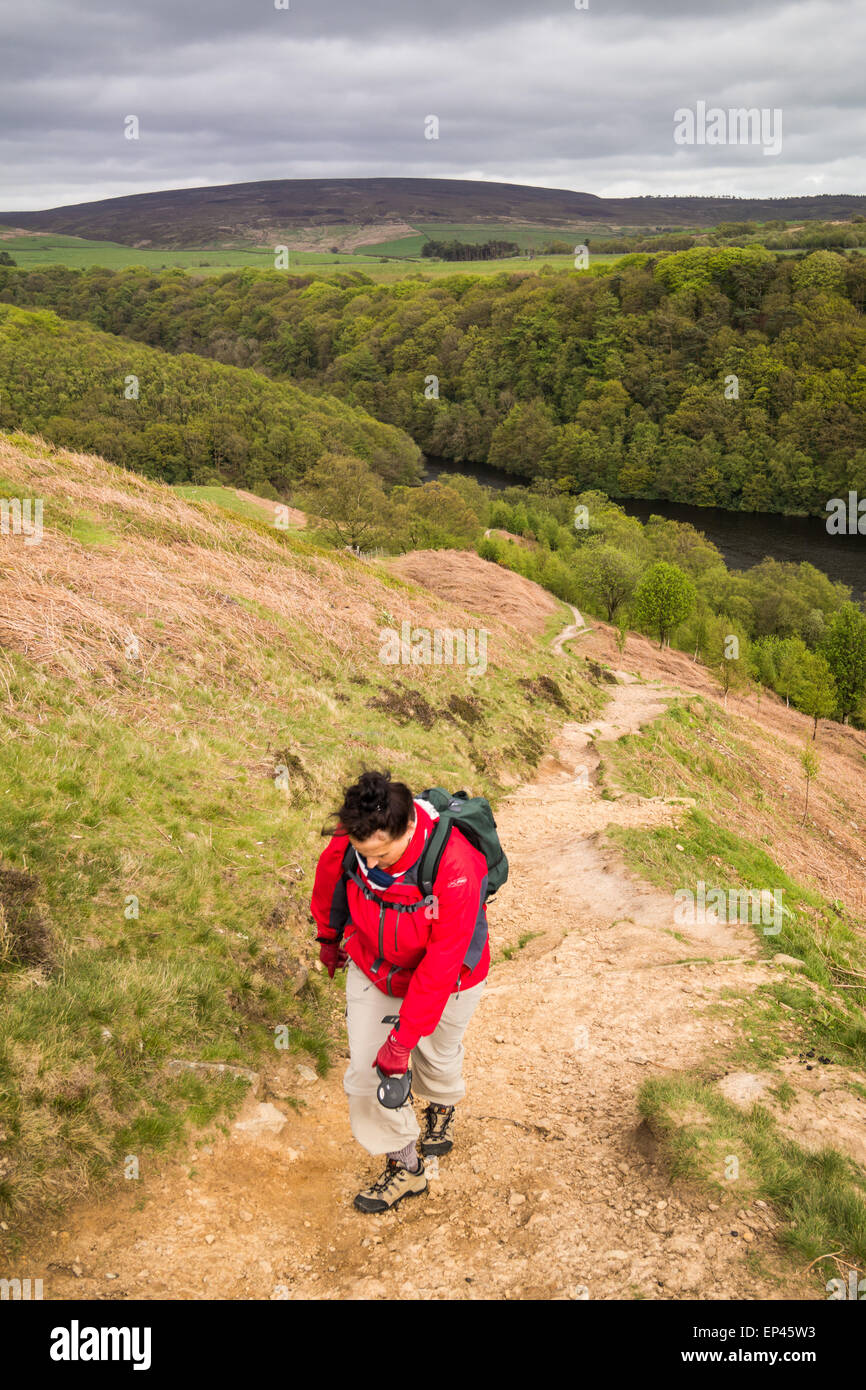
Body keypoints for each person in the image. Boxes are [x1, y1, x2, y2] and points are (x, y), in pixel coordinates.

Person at [310, 769, 490, 1213]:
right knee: (368, 1075)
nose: (369, 865)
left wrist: (404, 1039)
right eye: (361, 853)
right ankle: (406, 1167)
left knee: (437, 1055)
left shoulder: (456, 865)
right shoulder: (357, 836)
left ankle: (442, 1107)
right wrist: (330, 941)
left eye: (381, 856)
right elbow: (329, 883)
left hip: (450, 978)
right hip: (375, 967)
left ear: (409, 827)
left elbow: (442, 962)